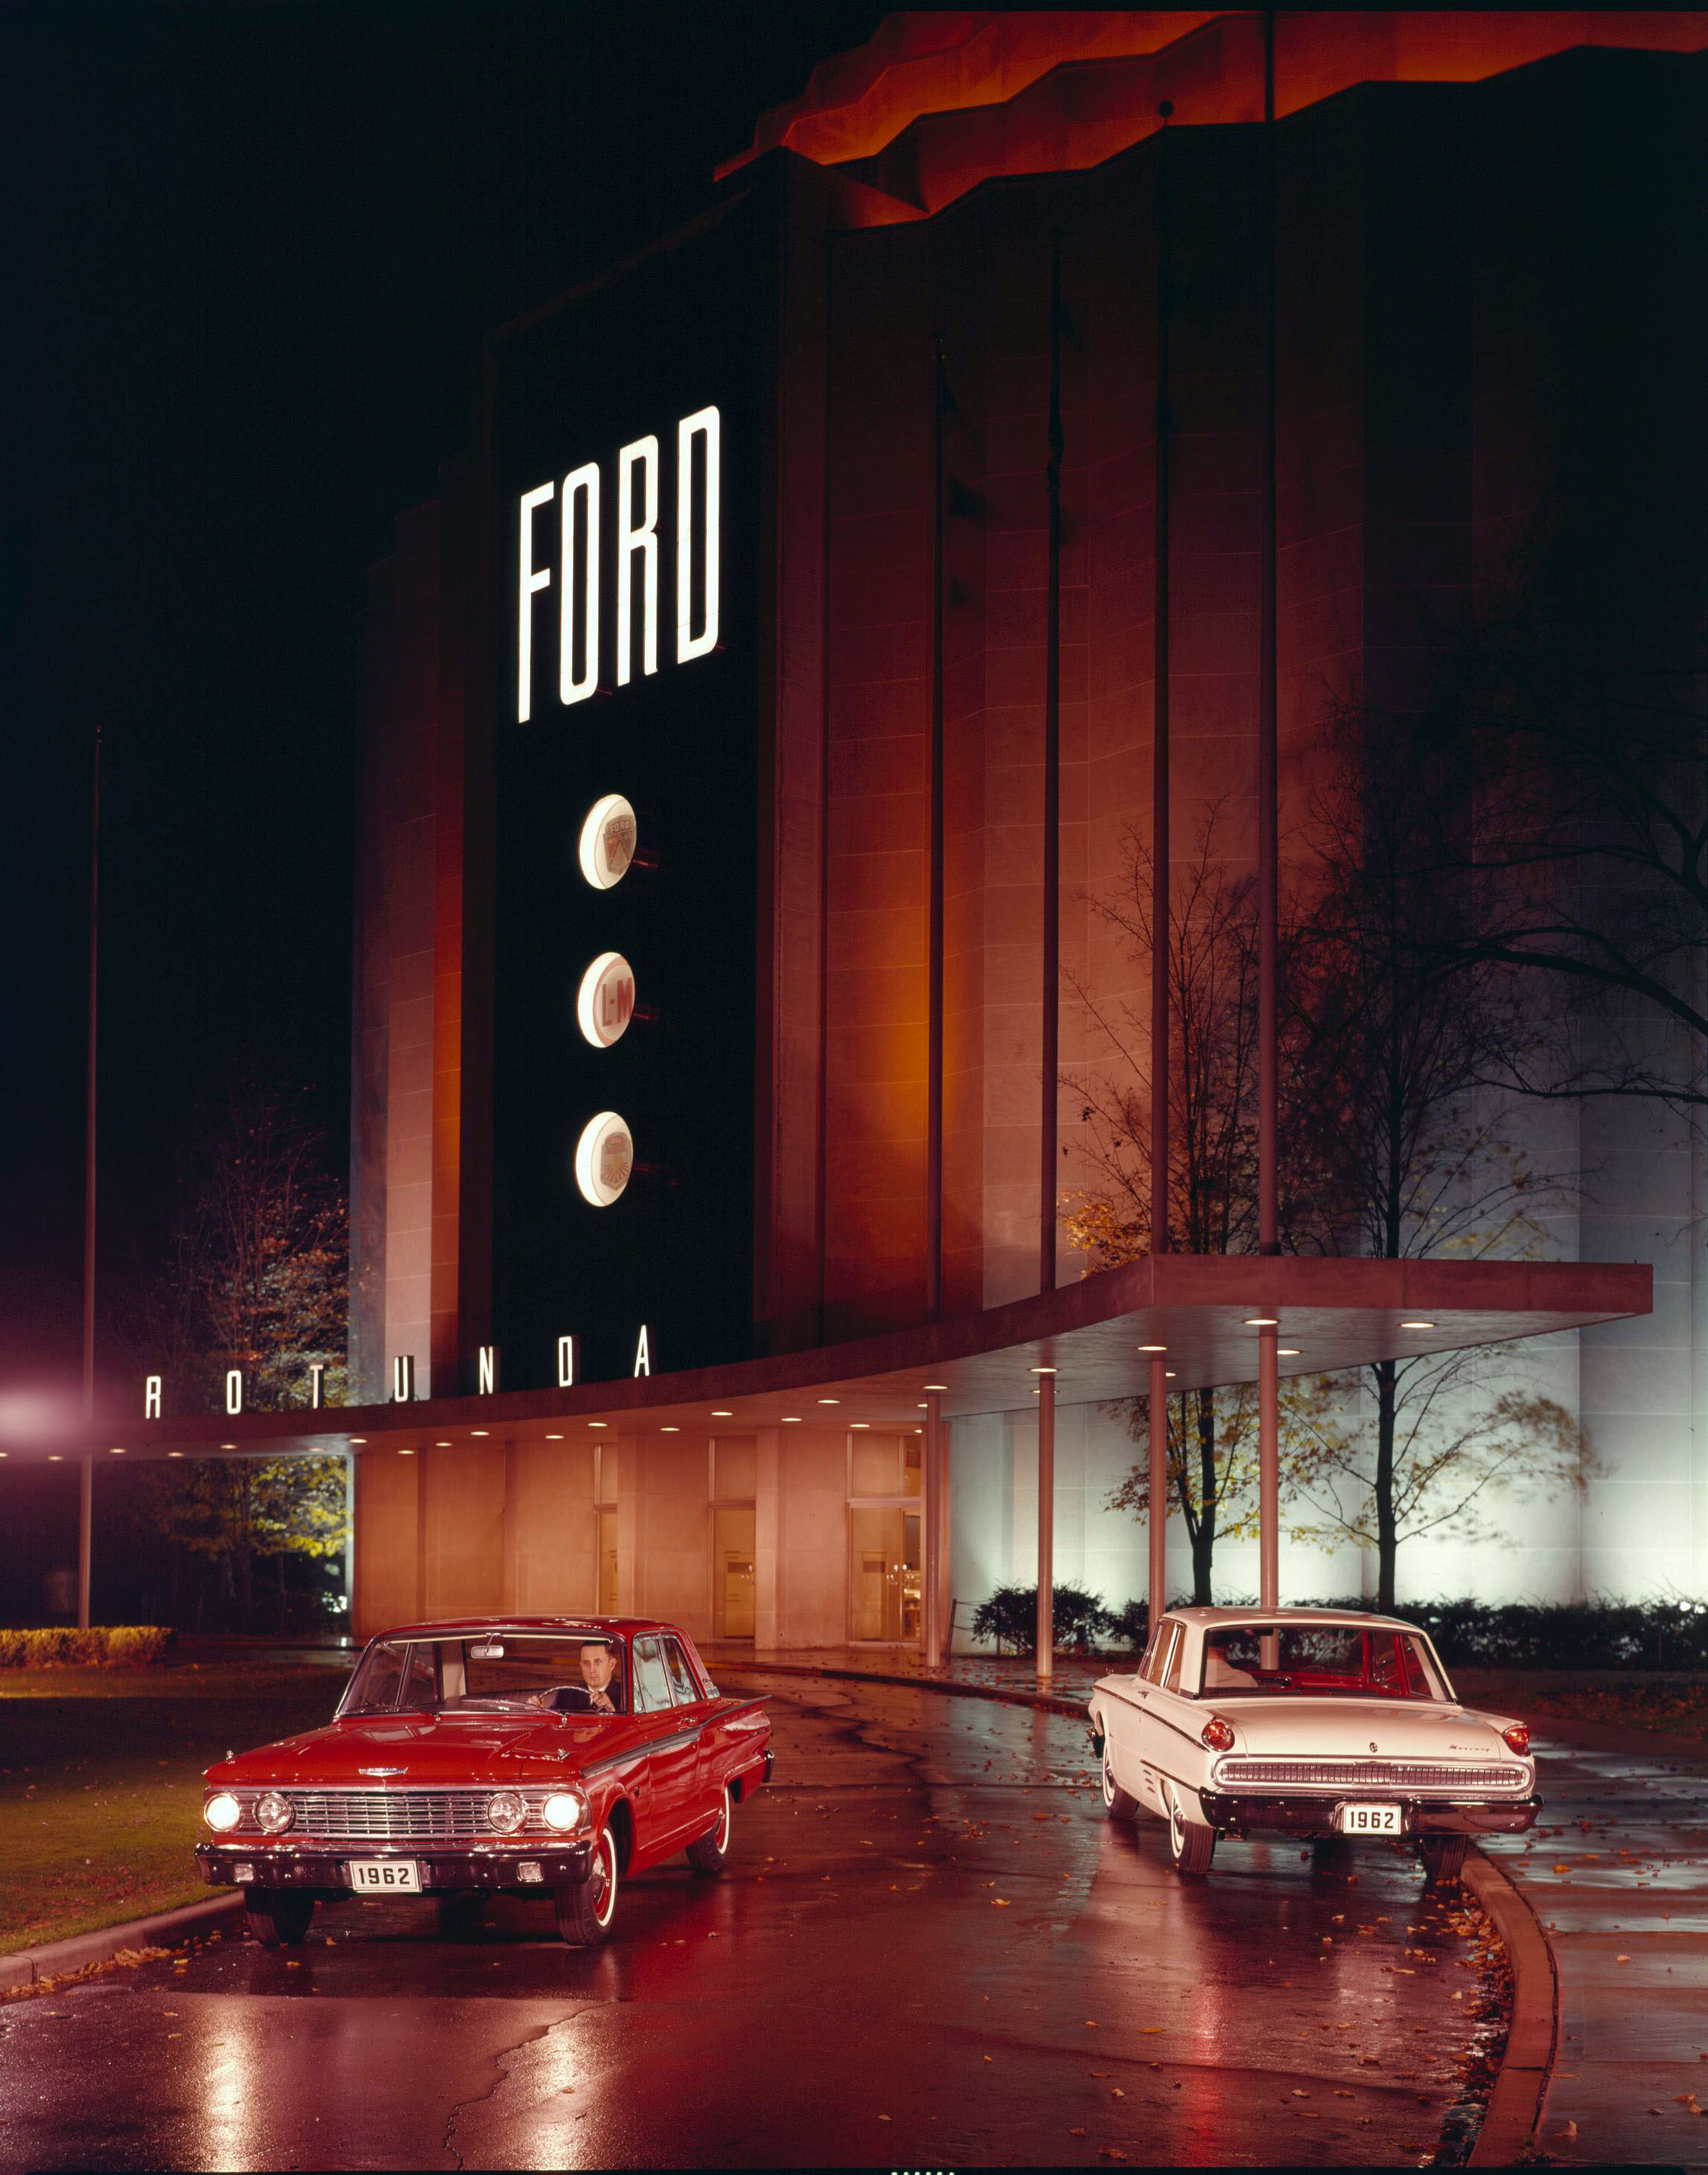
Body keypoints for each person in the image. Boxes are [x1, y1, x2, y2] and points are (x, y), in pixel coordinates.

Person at [543, 1640, 625, 1715]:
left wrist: (612, 1711)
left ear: (612, 1664)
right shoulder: (566, 1694)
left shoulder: (627, 1695)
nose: (592, 1670)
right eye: (586, 1663)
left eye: (598, 1662)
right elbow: (553, 1725)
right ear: (581, 1665)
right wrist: (537, 1711)